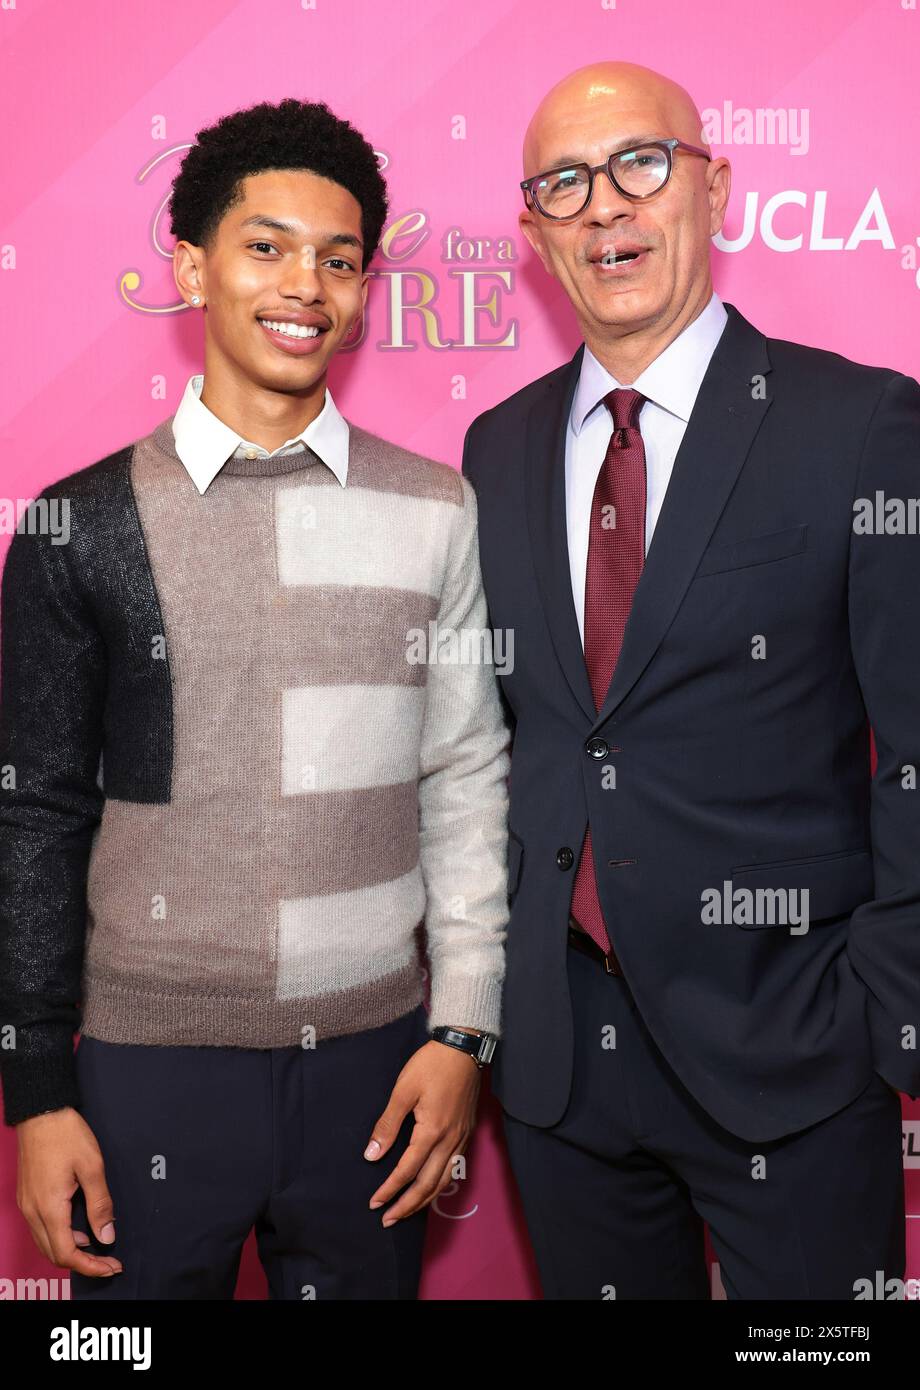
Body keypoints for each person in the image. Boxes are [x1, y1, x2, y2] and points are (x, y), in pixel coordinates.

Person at [0, 97, 510, 1300]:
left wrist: (462, 1031)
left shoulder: (437, 508)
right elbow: (35, 812)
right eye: (266, 245)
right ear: (192, 265)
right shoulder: (81, 524)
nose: (305, 284)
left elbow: (467, 774)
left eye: (338, 259)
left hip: (378, 1071)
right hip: (144, 1074)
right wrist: (35, 1092)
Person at [462, 60, 919, 1299]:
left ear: (711, 189)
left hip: (794, 1052)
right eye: (564, 183)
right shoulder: (495, 449)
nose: (604, 205)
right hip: (560, 1073)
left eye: (639, 165)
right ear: (533, 232)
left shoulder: (858, 426)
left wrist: (881, 1008)